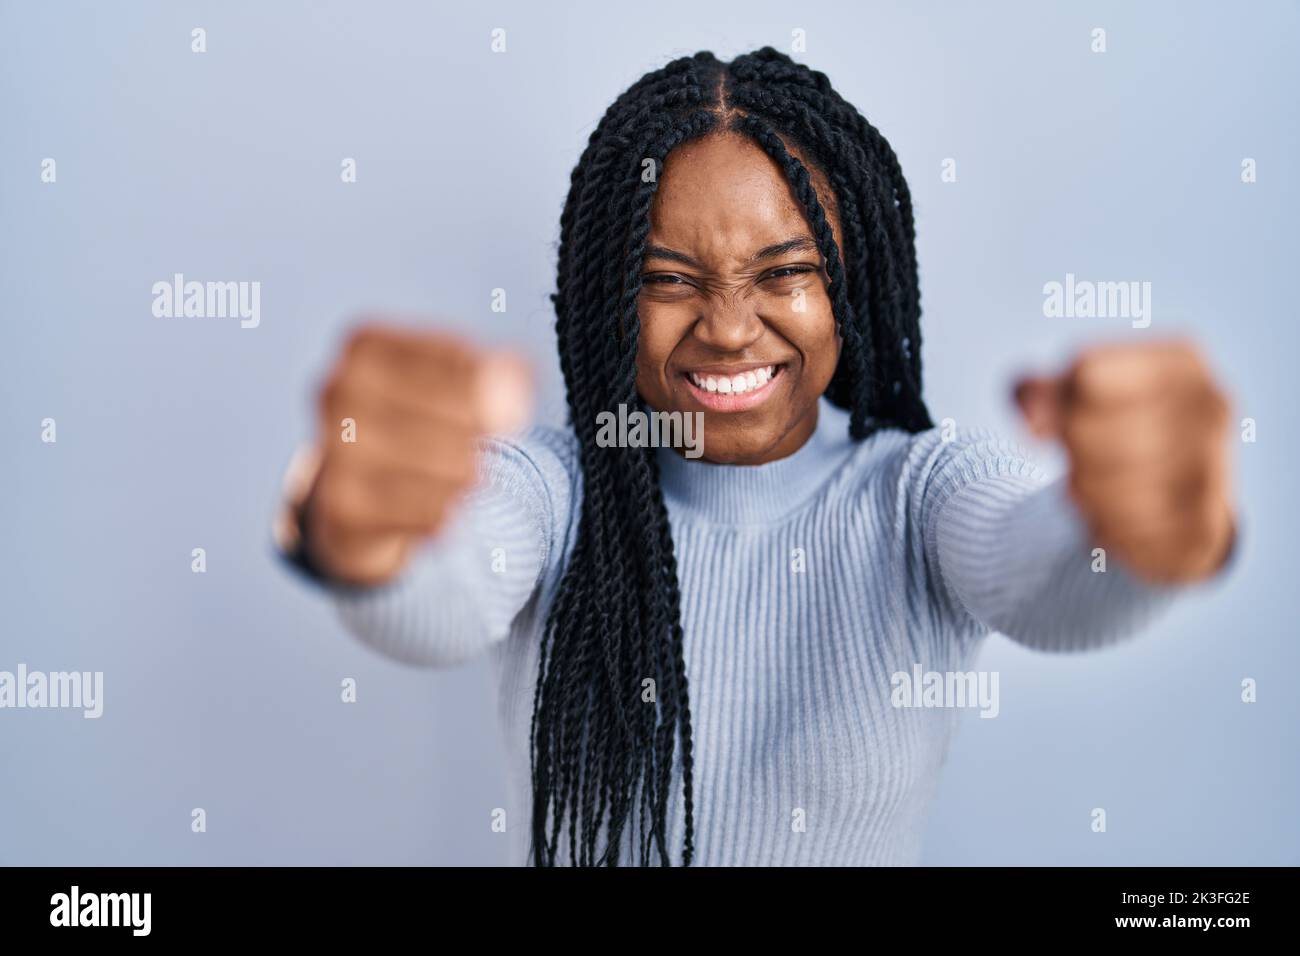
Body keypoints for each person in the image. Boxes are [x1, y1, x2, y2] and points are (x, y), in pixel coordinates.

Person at [274, 48, 1235, 866]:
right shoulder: (562, 488)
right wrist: (360, 529)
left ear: (852, 288)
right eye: (667, 279)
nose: (730, 329)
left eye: (785, 272)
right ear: (607, 300)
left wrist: (1148, 528)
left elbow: (1055, 577)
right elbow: (440, 596)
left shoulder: (915, 493)